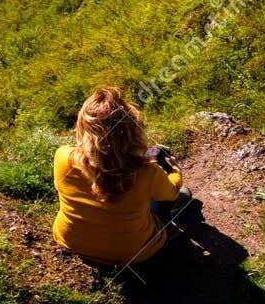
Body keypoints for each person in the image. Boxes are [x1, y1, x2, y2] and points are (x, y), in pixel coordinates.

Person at [51, 85, 191, 266]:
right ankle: (166, 229)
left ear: (83, 127)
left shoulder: (63, 157)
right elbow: (172, 192)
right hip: (134, 252)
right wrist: (175, 171)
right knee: (183, 194)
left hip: (71, 241)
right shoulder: (147, 172)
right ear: (131, 129)